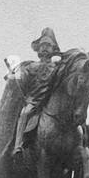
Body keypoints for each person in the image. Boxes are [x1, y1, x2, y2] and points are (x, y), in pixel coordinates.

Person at [12, 27, 63, 161]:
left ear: (54, 49)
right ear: (38, 49)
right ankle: (18, 145)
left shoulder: (57, 67)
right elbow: (21, 83)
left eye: (48, 45)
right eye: (42, 45)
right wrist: (14, 78)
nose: (45, 48)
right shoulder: (30, 67)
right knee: (24, 113)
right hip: (33, 102)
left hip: (50, 104)